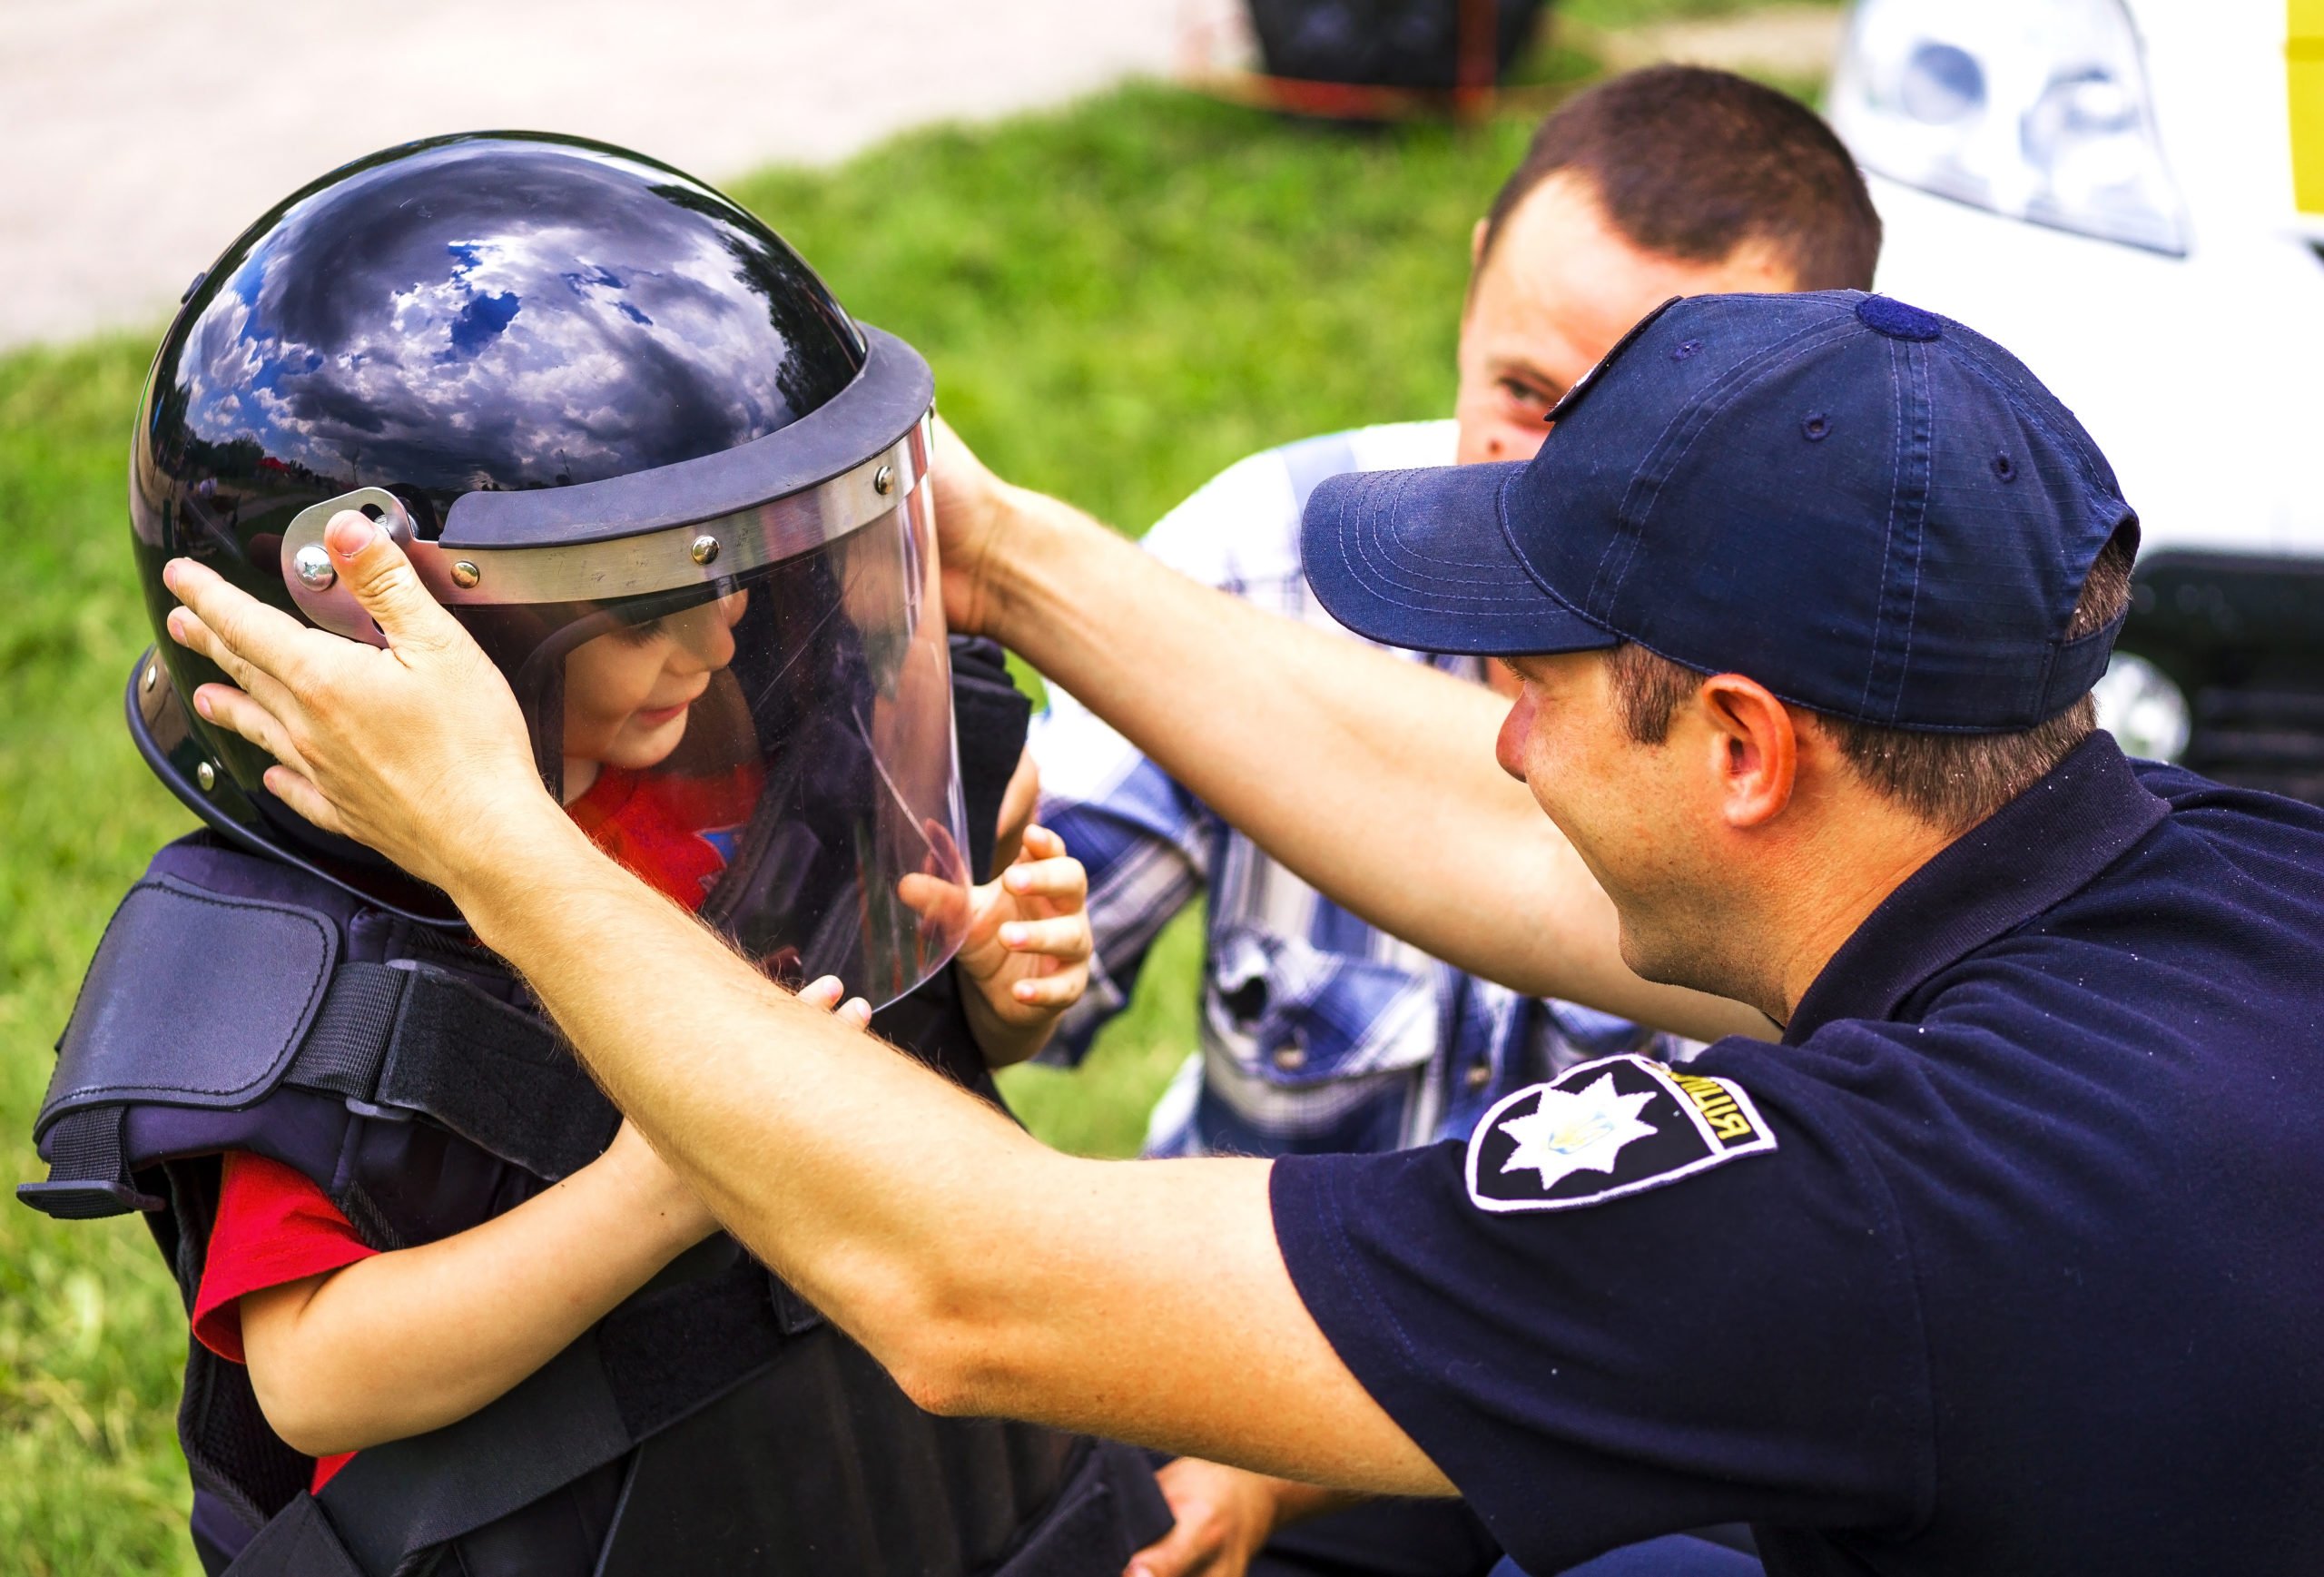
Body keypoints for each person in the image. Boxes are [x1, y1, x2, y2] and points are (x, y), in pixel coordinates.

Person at [160, 287, 2324, 1574]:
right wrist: (992, 559)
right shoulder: (2205, 875)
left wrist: (491, 832)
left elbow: (972, 1294)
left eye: (1533, 668)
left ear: (1744, 750)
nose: (1488, 721)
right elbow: (1505, 843)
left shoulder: (1857, 1214)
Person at [20, 133, 1171, 1575]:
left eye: (734, 577)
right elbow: (313, 1373)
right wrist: (657, 1188)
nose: (719, 636)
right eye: (640, 612)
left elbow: (890, 1045)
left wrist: (989, 991)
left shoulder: (737, 768)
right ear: (377, 627)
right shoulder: (324, 977)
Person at [1035, 73, 1876, 1572]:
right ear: (1477, 263)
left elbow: (1785, 1321)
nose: (1552, 477)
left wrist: (1281, 1479)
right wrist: (997, 939)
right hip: (1244, 1358)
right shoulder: (1261, 560)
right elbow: (1040, 940)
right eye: (1525, 394)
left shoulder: (1860, 719)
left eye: (1638, 441)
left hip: (1654, 1439)